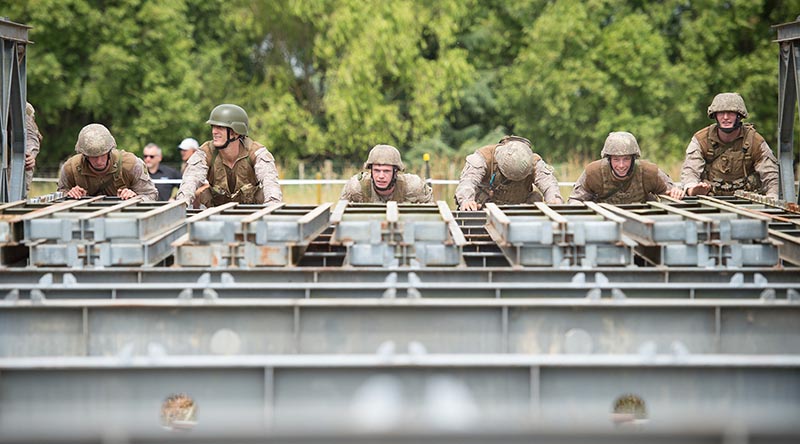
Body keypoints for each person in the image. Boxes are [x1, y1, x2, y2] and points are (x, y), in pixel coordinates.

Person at [176, 104, 282, 207]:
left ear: (235, 132)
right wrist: (181, 204)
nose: (214, 132)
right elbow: (191, 179)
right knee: (204, 193)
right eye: (213, 127)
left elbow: (270, 182)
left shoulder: (255, 152)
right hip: (216, 212)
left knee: (264, 193)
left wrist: (272, 205)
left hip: (251, 210)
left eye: (220, 127)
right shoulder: (206, 152)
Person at [681, 92, 779, 198]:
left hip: (747, 199)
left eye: (730, 113)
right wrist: (692, 189)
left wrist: (772, 197)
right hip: (710, 197)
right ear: (715, 116)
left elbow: (770, 173)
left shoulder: (754, 140)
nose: (726, 117)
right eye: (721, 113)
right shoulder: (702, 139)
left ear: (739, 116)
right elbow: (690, 169)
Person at [568, 131, 684, 204]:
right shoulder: (594, 173)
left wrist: (675, 193)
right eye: (616, 159)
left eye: (626, 159)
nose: (621, 165)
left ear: (634, 158)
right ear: (608, 159)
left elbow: (671, 193)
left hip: (642, 223)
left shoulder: (648, 172)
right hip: (605, 223)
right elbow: (575, 200)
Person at [454, 135, 563, 210]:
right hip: (485, 210)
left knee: (535, 199)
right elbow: (468, 181)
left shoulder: (534, 162)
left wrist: (554, 200)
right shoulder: (484, 157)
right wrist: (466, 200)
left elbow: (549, 184)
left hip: (520, 212)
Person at [57, 123, 158, 200]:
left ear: (110, 150)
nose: (99, 161)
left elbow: (151, 195)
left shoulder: (131, 165)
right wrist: (70, 195)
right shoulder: (70, 168)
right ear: (84, 155)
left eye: (103, 154)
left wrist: (135, 198)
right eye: (94, 157)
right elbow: (59, 196)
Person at [339, 144, 433, 203]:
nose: (381, 176)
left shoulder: (413, 186)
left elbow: (431, 214)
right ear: (370, 171)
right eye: (377, 170)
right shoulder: (355, 187)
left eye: (386, 171)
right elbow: (340, 215)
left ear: (395, 172)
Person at [24, 102, 42, 198]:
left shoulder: (22, 106)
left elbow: (31, 137)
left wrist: (30, 155)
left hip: (10, 157)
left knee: (26, 162)